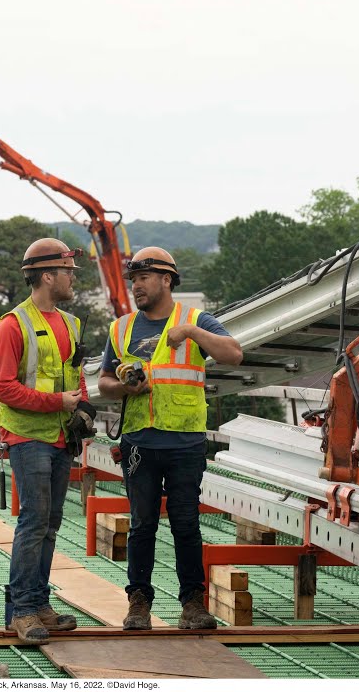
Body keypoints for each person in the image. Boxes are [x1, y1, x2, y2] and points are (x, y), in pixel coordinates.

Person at [97, 247, 243, 631]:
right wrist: (126, 389)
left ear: (167, 279)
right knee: (142, 524)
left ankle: (193, 605)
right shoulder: (122, 328)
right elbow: (105, 382)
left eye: (144, 279)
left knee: (186, 523)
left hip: (184, 442)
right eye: (133, 280)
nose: (136, 287)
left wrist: (193, 333)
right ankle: (139, 604)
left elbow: (233, 354)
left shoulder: (195, 320)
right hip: (139, 443)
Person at [0, 237, 94, 644]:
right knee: (34, 521)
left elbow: (76, 376)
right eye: (68, 271)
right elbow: (1, 387)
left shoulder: (70, 323)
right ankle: (22, 610)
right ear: (48, 275)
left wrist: (82, 406)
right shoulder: (13, 326)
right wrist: (57, 402)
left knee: (50, 524)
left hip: (58, 438)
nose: (72, 279)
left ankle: (39, 601)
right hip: (28, 436)